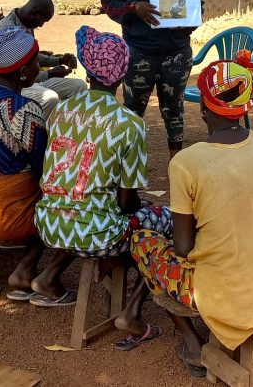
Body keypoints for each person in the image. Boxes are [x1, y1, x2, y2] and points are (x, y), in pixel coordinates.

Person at [129, 52, 253, 377]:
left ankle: (192, 344)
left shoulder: (187, 162)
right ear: (245, 107)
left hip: (220, 293)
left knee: (144, 241)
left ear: (202, 108)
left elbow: (184, 249)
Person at [35, 26, 170, 347]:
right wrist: (146, 208)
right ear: (122, 74)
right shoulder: (129, 124)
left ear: (87, 69)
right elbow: (126, 204)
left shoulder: (61, 109)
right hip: (99, 234)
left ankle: (49, 275)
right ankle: (132, 313)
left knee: (85, 204)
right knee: (166, 224)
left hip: (49, 225)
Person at [0, 27, 72, 302]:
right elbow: (45, 170)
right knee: (57, 197)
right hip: (10, 217)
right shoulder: (23, 110)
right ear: (21, 72)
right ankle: (29, 270)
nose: (37, 67)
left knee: (9, 190)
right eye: (34, 62)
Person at [101, 0, 199, 158]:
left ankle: (175, 165)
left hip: (176, 53)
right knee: (133, 110)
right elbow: (109, 3)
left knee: (174, 109)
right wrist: (134, 8)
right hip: (140, 52)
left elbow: (195, 6)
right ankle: (127, 167)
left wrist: (188, 22)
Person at [0, 0, 88, 117]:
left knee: (79, 87)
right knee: (49, 98)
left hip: (34, 81)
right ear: (34, 12)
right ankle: (39, 132)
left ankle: (70, 128)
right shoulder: (8, 30)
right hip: (17, 87)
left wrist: (59, 60)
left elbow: (31, 57)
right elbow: (14, 76)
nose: (41, 25)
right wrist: (49, 74)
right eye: (42, 20)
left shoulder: (26, 24)